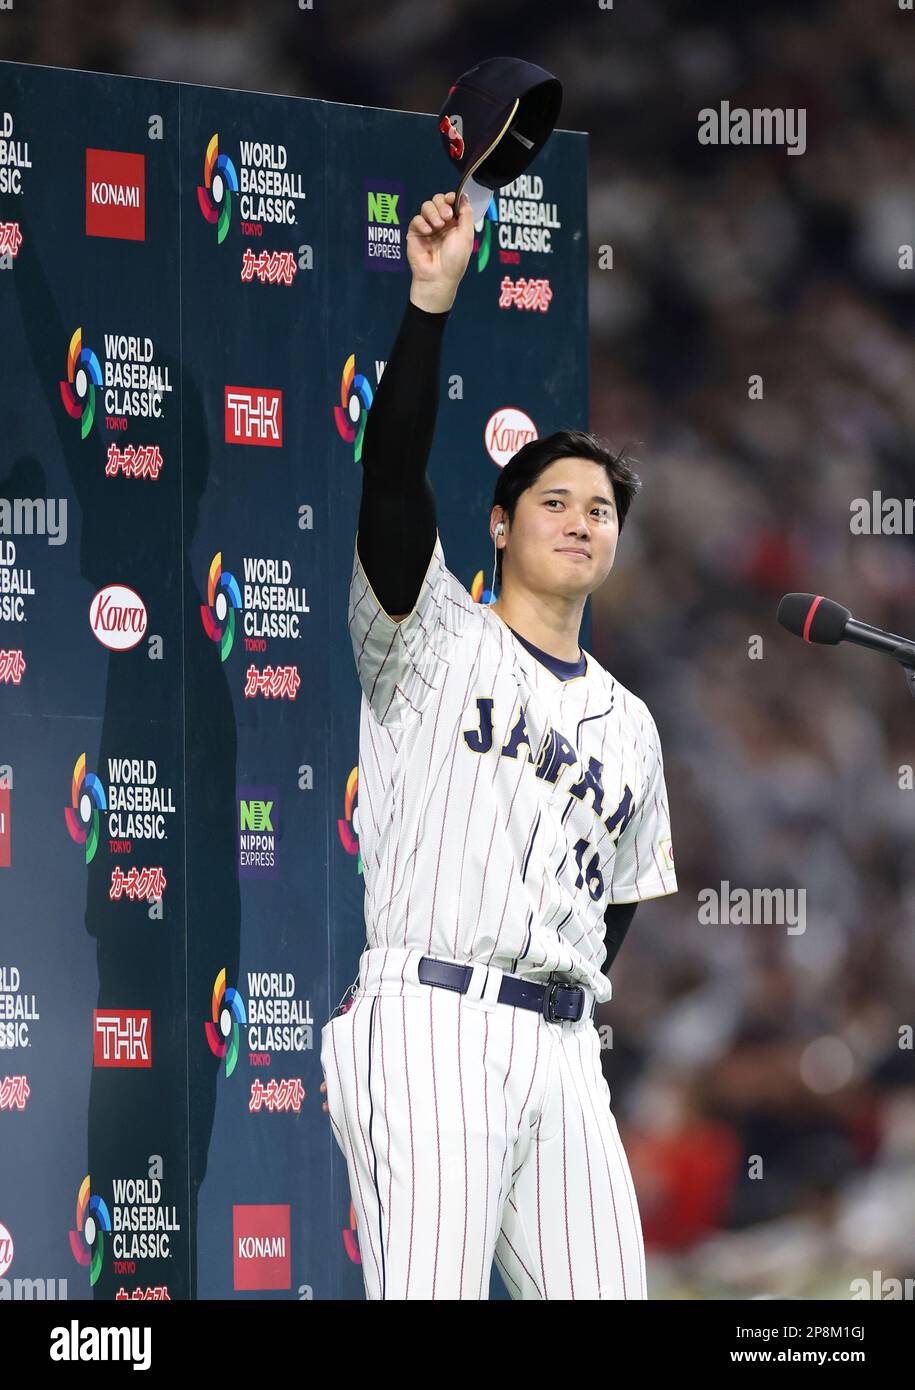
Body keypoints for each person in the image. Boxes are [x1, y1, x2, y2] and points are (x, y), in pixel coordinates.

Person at [319, 190, 678, 1300]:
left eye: (600, 510)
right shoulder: (431, 634)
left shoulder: (633, 724)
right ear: (499, 523)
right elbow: (390, 480)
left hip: (565, 1047)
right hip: (431, 1020)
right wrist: (431, 303)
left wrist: (557, 999)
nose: (581, 520)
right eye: (554, 500)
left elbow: (615, 905)